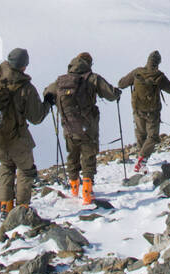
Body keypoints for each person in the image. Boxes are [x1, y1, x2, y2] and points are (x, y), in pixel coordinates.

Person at [0, 48, 48, 217]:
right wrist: (48, 103)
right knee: (25, 170)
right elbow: (36, 117)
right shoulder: (25, 87)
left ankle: (5, 208)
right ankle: (21, 210)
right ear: (23, 66)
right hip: (17, 140)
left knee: (6, 167)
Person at [45, 52, 121, 205]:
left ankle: (74, 189)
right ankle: (87, 192)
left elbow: (47, 92)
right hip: (88, 126)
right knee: (88, 156)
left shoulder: (61, 81)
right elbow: (111, 94)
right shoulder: (92, 78)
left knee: (72, 156)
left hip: (68, 127)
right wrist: (117, 92)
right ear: (89, 64)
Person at [117, 50, 170, 172]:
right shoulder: (159, 76)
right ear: (158, 62)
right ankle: (142, 159)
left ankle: (141, 160)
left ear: (148, 60)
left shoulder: (137, 72)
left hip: (138, 109)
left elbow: (121, 84)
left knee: (141, 134)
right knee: (153, 137)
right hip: (153, 112)